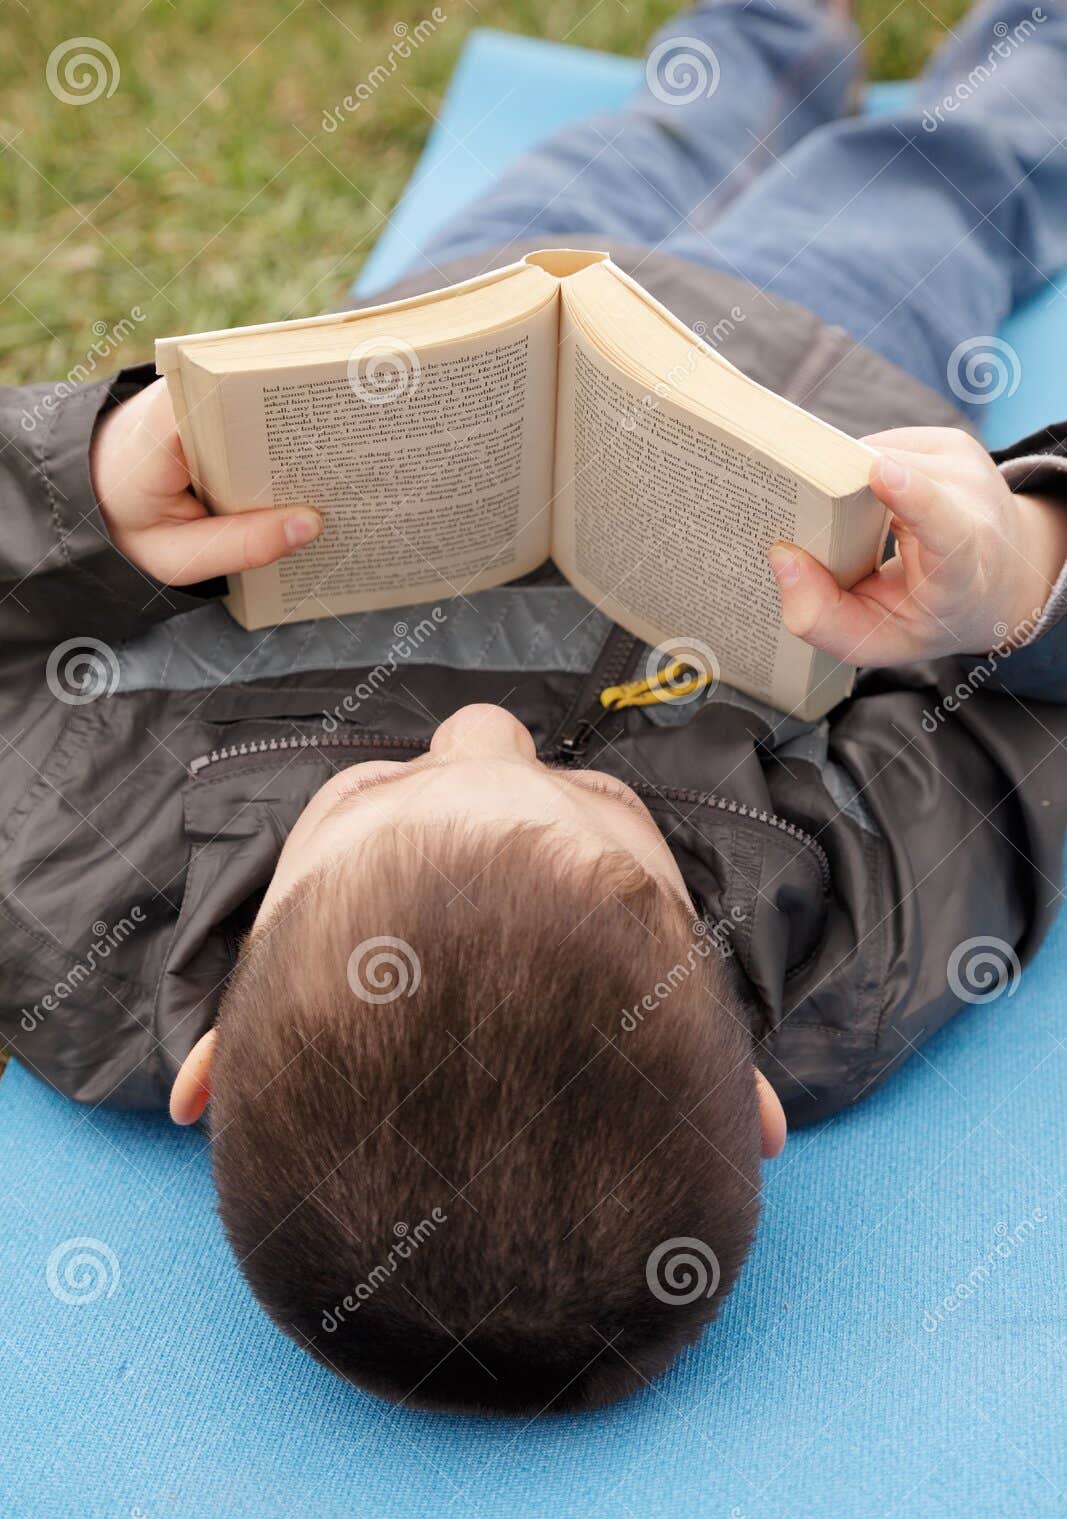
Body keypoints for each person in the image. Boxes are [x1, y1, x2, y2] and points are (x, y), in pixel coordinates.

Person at [3, 0, 1067, 1413]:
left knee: (675, 115)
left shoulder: (66, 875)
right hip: (813, 370)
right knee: (960, 167)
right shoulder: (839, 956)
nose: (481, 733)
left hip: (449, 339)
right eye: (595, 804)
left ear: (209, 1066)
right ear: (754, 1095)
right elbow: (1024, 728)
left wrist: (93, 490)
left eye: (379, 793)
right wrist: (1016, 570)